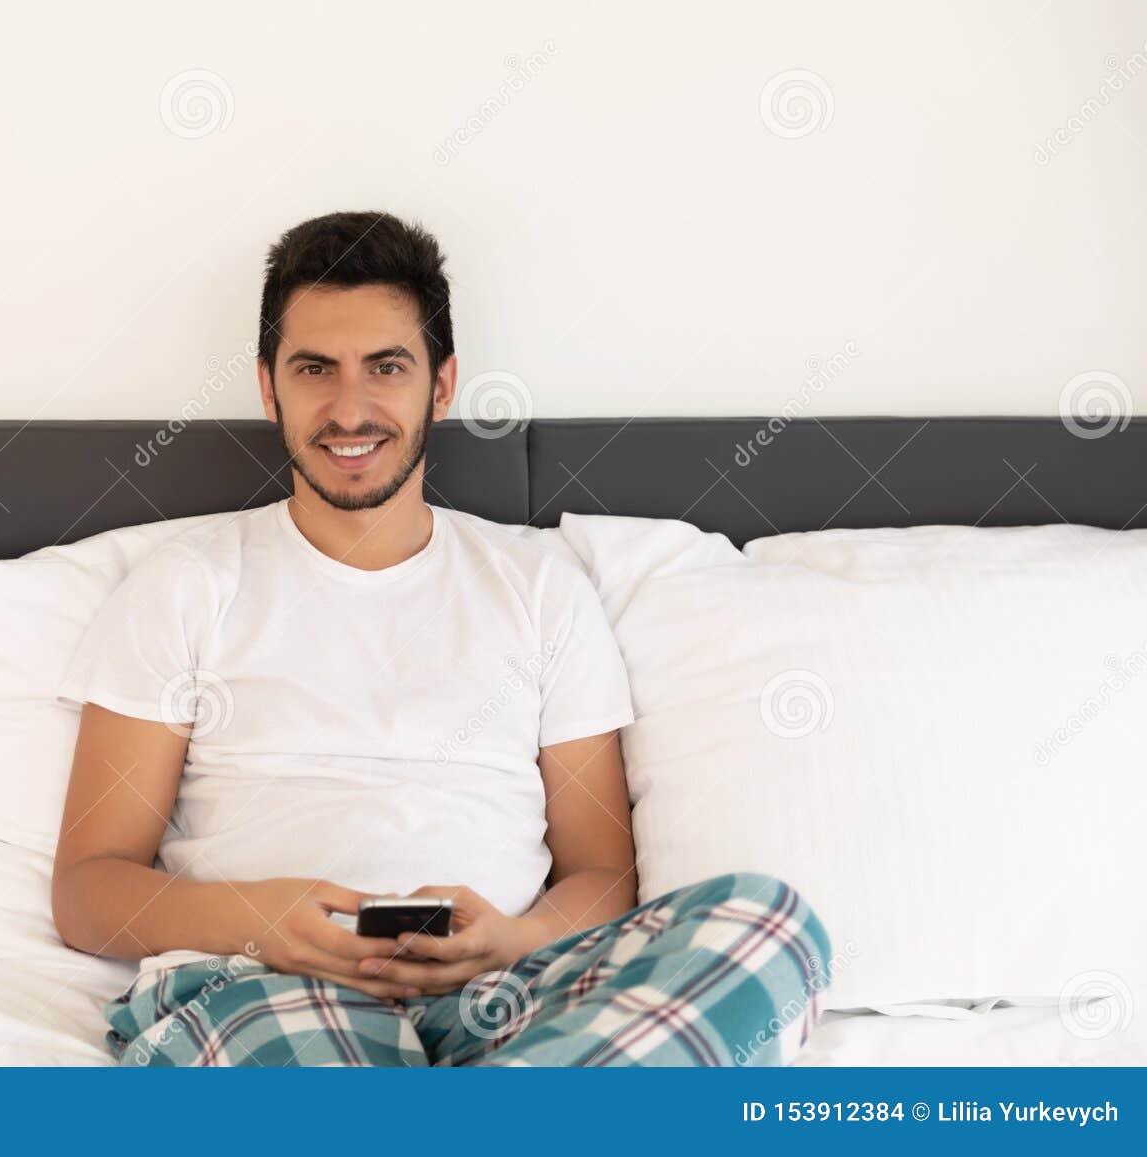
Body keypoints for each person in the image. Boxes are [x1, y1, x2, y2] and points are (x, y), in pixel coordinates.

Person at [51, 210, 828, 1066]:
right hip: (263, 991)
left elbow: (602, 874)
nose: (351, 409)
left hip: (514, 994)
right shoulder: (184, 585)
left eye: (387, 367)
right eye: (316, 369)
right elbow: (90, 891)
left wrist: (513, 938)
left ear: (443, 384)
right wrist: (260, 919)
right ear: (270, 387)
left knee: (770, 928)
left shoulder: (539, 589)